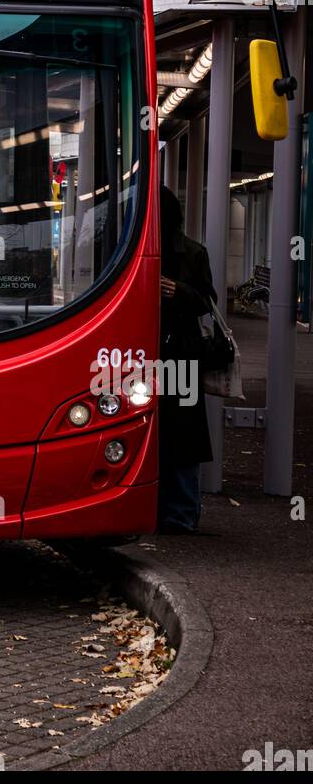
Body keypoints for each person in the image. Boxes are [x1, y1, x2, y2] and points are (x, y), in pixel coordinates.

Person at [157, 184, 216, 533]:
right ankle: (177, 511)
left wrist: (177, 291)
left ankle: (179, 513)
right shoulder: (191, 250)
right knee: (180, 432)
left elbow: (206, 303)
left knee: (180, 433)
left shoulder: (192, 252)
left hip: (175, 350)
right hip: (173, 353)